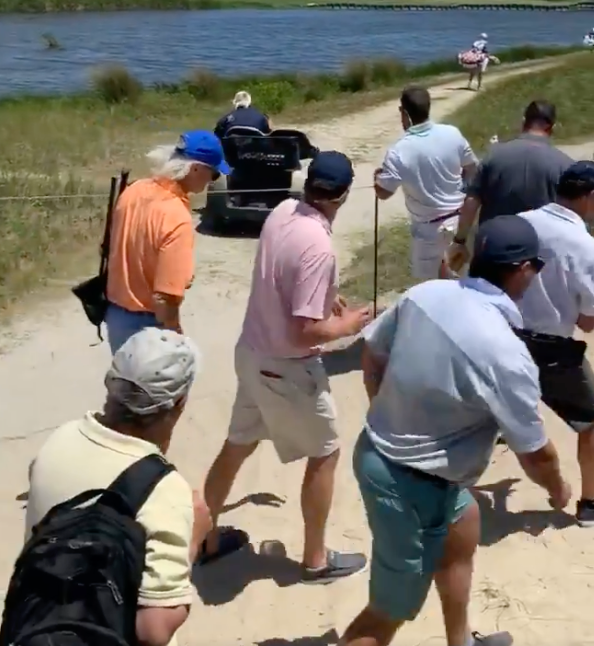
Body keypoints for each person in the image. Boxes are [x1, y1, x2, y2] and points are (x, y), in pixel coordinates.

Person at [339, 216, 570, 646]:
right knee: (389, 611)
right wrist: (558, 489)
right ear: (523, 269)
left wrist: (389, 410)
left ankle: (460, 641)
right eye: (536, 265)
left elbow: (372, 353)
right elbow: (535, 453)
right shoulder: (506, 354)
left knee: (463, 527)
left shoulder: (425, 293)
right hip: (405, 482)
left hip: (402, 460)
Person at [202, 151, 371, 582]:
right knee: (326, 452)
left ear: (308, 182)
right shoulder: (320, 247)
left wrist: (321, 296)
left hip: (253, 353)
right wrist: (346, 325)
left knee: (236, 445)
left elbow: (283, 271)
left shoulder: (282, 210)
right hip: (287, 368)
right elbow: (305, 333)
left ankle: (204, 539)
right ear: (345, 194)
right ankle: (315, 560)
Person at [25, 329, 210, 646]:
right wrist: (193, 543)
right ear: (179, 403)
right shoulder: (164, 490)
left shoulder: (60, 439)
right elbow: (154, 632)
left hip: (37, 625)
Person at [518, 161, 594, 526]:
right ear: (589, 197)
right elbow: (588, 322)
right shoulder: (584, 245)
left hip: (504, 338)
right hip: (552, 350)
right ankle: (590, 504)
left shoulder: (521, 222)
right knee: (592, 423)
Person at [105, 130, 230, 353]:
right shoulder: (177, 217)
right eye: (214, 174)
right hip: (148, 327)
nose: (212, 181)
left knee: (125, 387)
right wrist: (175, 334)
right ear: (195, 169)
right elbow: (165, 298)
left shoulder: (133, 190)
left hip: (116, 317)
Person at [448, 100, 571, 273]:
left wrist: (460, 241)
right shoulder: (564, 165)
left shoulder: (494, 155)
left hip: (492, 252)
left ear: (523, 122)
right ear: (553, 127)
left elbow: (471, 201)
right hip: (538, 258)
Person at [374, 85, 478, 281]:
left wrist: (377, 180)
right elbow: (472, 169)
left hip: (428, 230)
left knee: (430, 289)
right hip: (460, 223)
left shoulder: (399, 151)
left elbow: (384, 193)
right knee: (462, 284)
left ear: (403, 113)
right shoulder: (452, 133)